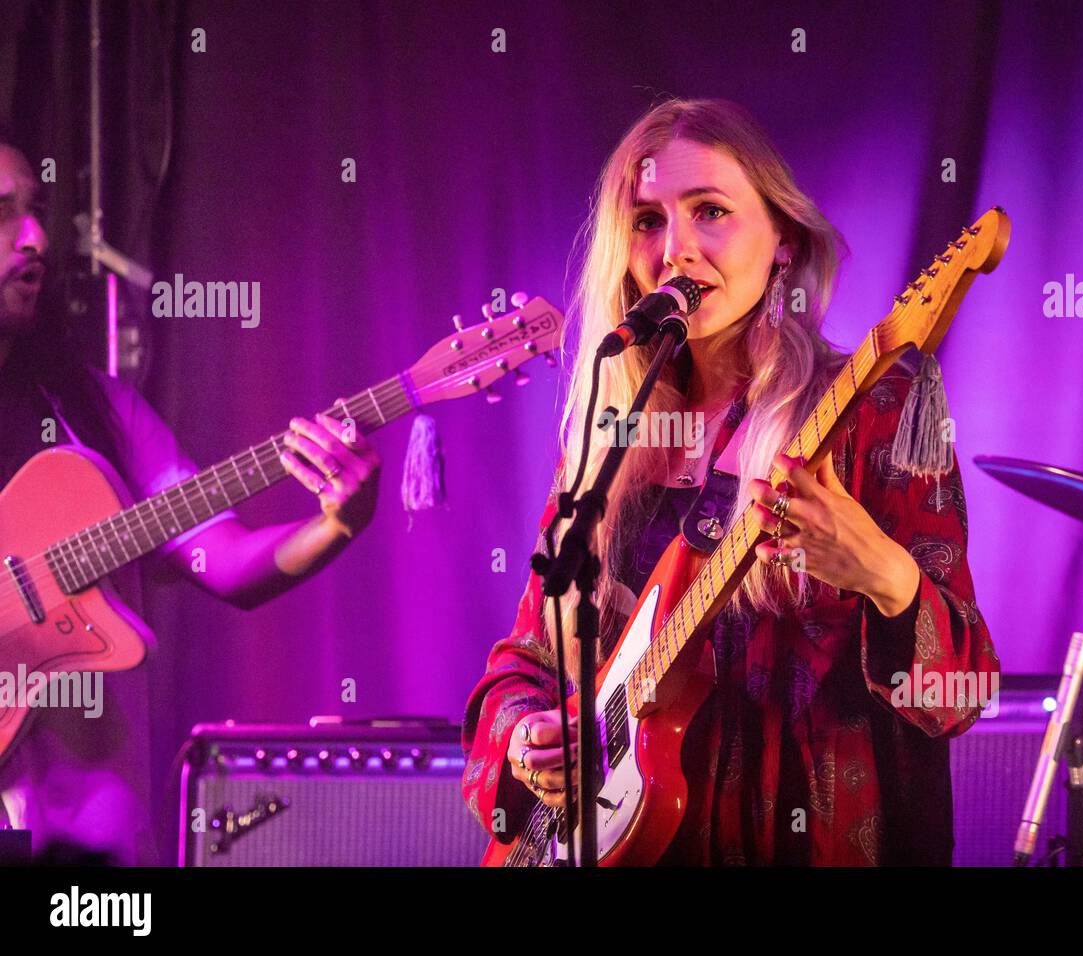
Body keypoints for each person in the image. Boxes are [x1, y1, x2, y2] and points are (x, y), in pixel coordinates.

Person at [461, 98, 998, 865]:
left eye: (709, 210)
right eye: (647, 220)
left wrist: (885, 576)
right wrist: (526, 740)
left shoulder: (879, 404)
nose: (676, 248)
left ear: (783, 240)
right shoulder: (613, 436)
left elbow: (963, 692)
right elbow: (527, 658)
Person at [0, 135, 382, 864]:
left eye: (39, 210)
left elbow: (227, 561)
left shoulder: (94, 411)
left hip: (89, 843)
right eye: (3, 212)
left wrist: (339, 522)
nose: (36, 236)